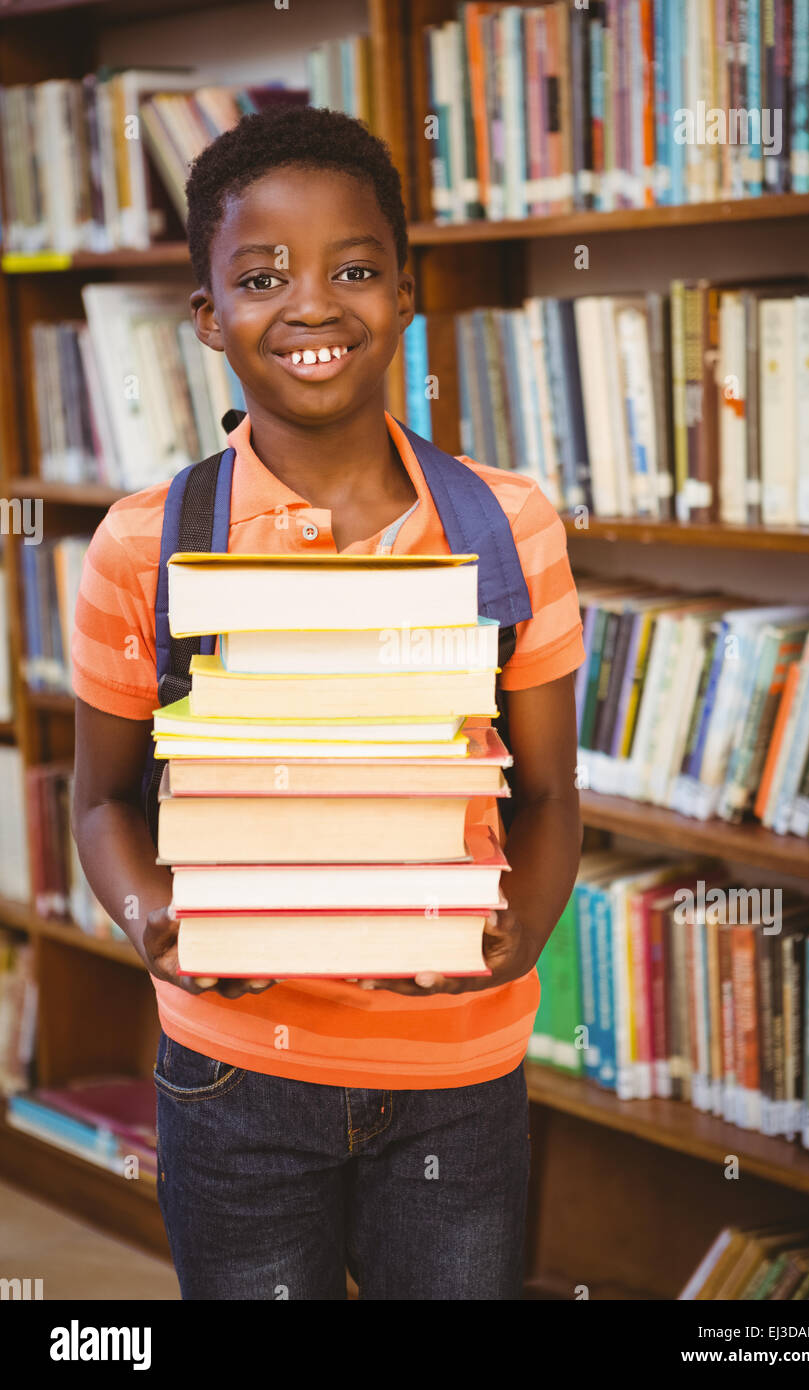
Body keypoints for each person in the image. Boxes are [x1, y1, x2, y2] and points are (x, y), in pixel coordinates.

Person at [71, 106, 584, 1300]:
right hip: (233, 1075)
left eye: (354, 269)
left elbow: (552, 791)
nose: (311, 305)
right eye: (261, 276)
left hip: (457, 1071)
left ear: (405, 295)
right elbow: (101, 799)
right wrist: (150, 915)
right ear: (206, 317)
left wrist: (526, 928)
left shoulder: (506, 526)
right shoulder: (144, 546)